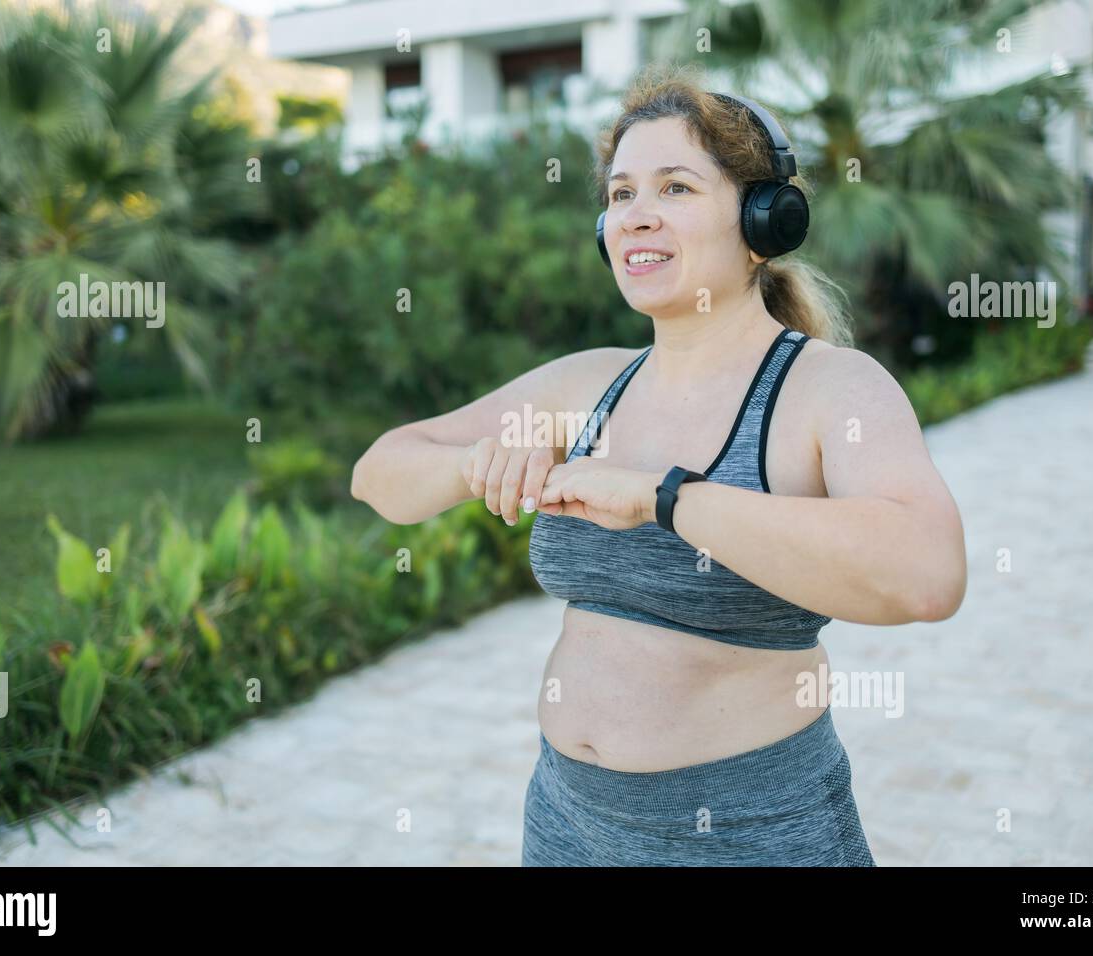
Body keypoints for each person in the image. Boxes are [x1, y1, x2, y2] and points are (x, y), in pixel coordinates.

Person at [350, 62, 966, 866]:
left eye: (675, 188)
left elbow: (927, 576)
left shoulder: (827, 388)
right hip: (567, 821)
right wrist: (484, 463)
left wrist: (662, 498)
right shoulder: (587, 383)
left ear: (761, 222)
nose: (637, 217)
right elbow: (380, 473)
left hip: (750, 832)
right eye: (620, 195)